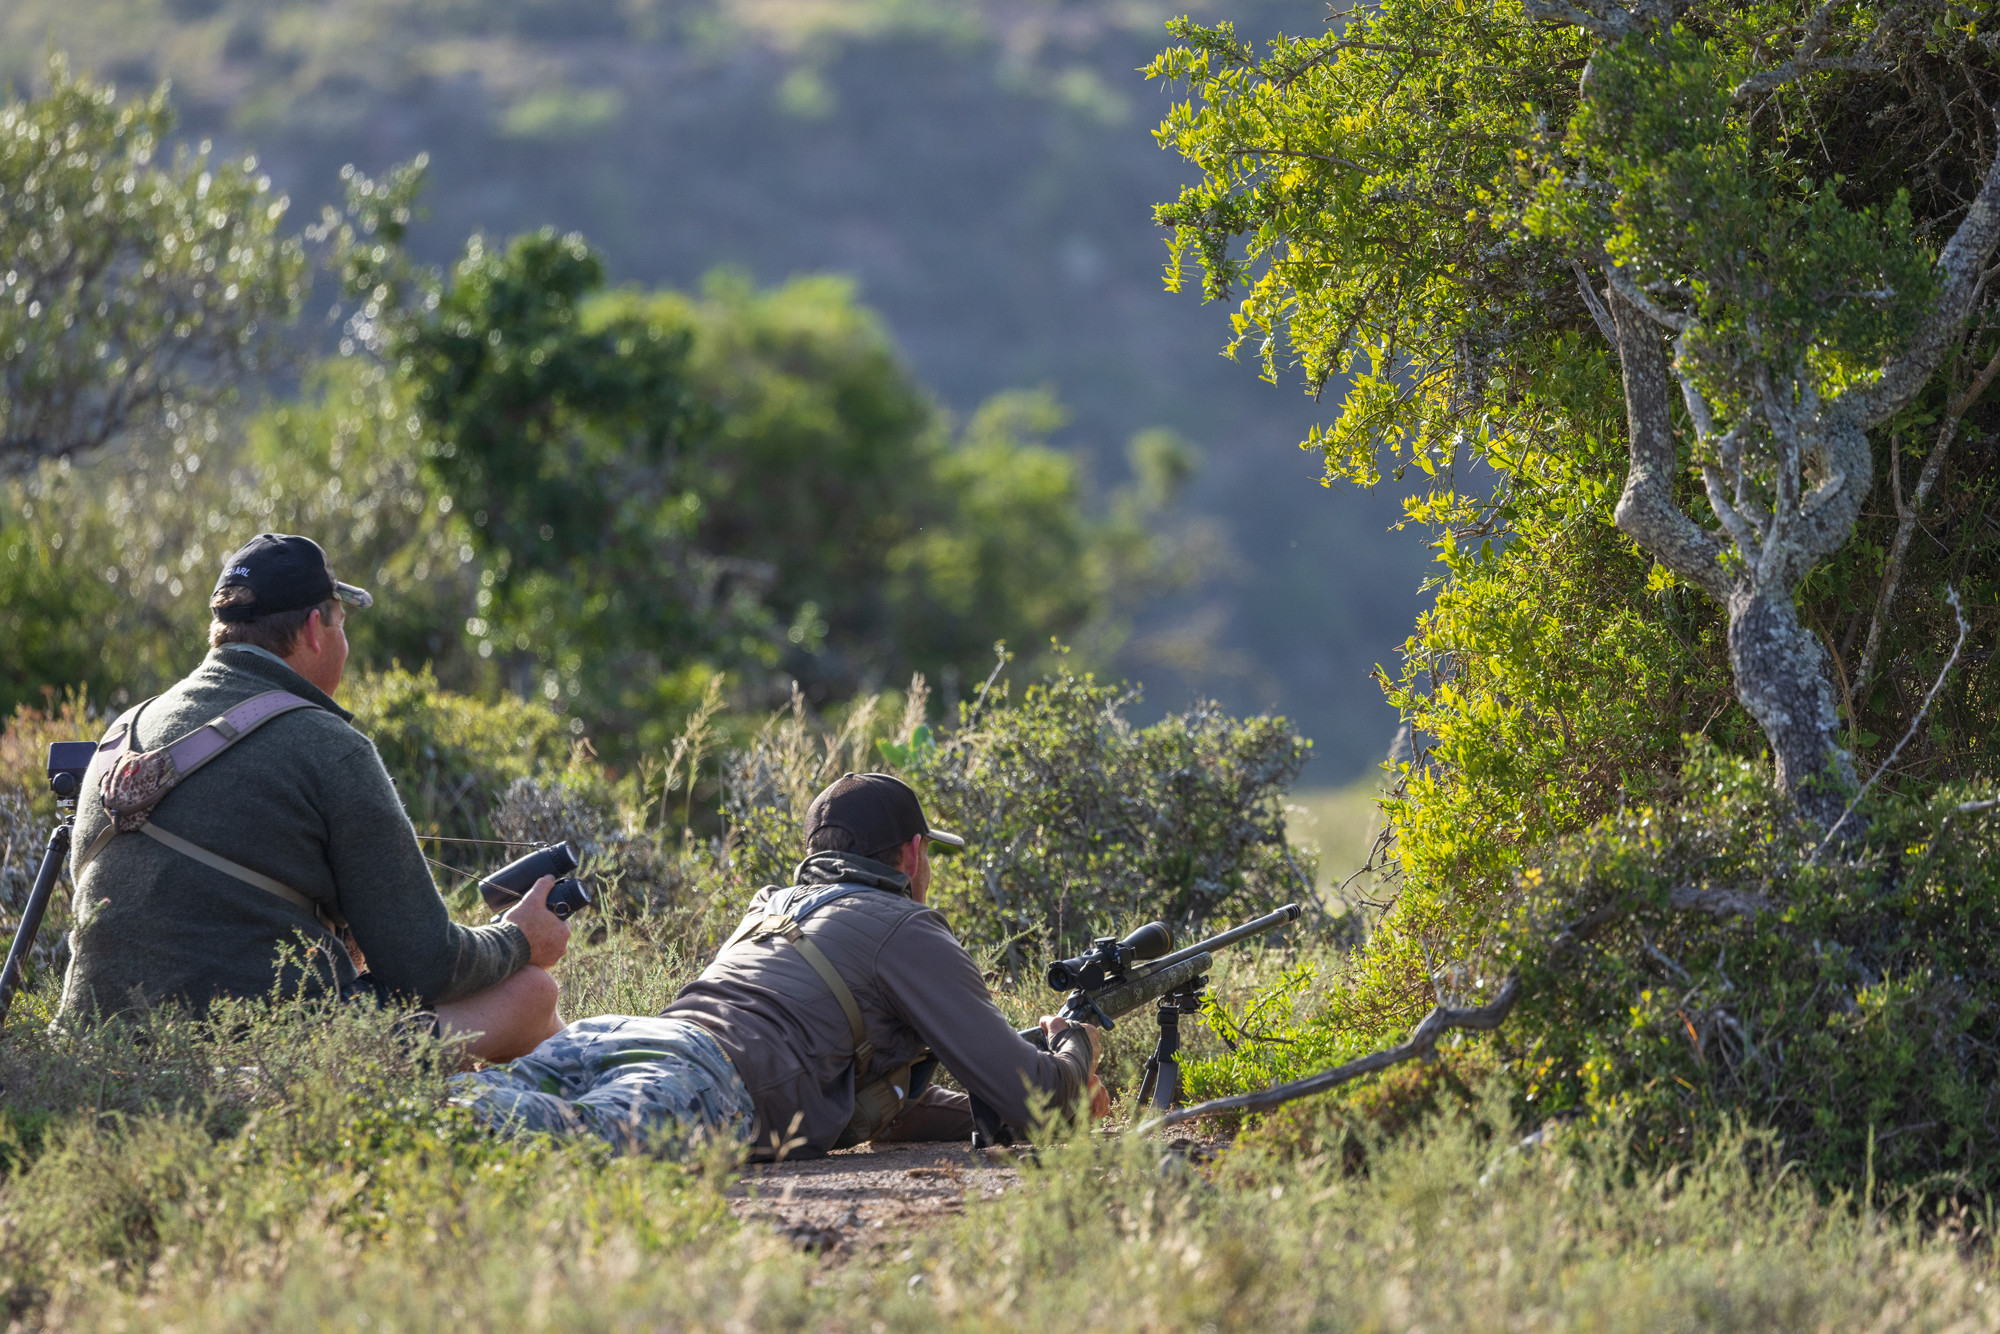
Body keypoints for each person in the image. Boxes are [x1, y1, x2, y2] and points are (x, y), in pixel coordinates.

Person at [58, 533, 571, 1062]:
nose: (344, 641)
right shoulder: (329, 745)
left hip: (92, 1053)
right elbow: (426, 965)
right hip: (255, 1059)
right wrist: (517, 939)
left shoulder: (122, 733)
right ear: (314, 630)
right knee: (532, 994)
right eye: (341, 621)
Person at [456, 772, 1110, 1156]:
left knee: (442, 1112)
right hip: (702, 1077)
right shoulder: (907, 925)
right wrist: (1078, 1041)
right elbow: (1045, 1106)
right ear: (911, 856)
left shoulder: (773, 904)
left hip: (620, 1034)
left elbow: (890, 1109)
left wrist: (981, 1111)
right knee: (510, 1142)